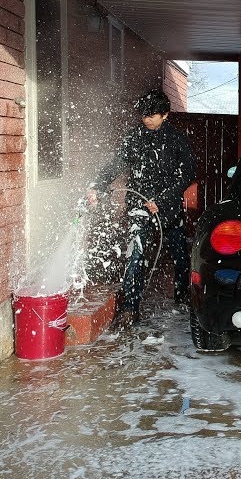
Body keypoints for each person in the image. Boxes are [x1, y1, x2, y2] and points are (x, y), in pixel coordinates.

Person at [86, 89, 196, 328]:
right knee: (135, 255)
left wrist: (164, 199)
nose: (147, 119)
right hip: (138, 205)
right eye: (144, 114)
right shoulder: (134, 138)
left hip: (167, 208)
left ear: (165, 115)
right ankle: (130, 308)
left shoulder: (177, 140)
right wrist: (98, 185)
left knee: (179, 253)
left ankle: (182, 294)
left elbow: (187, 174)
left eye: (152, 114)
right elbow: (115, 164)